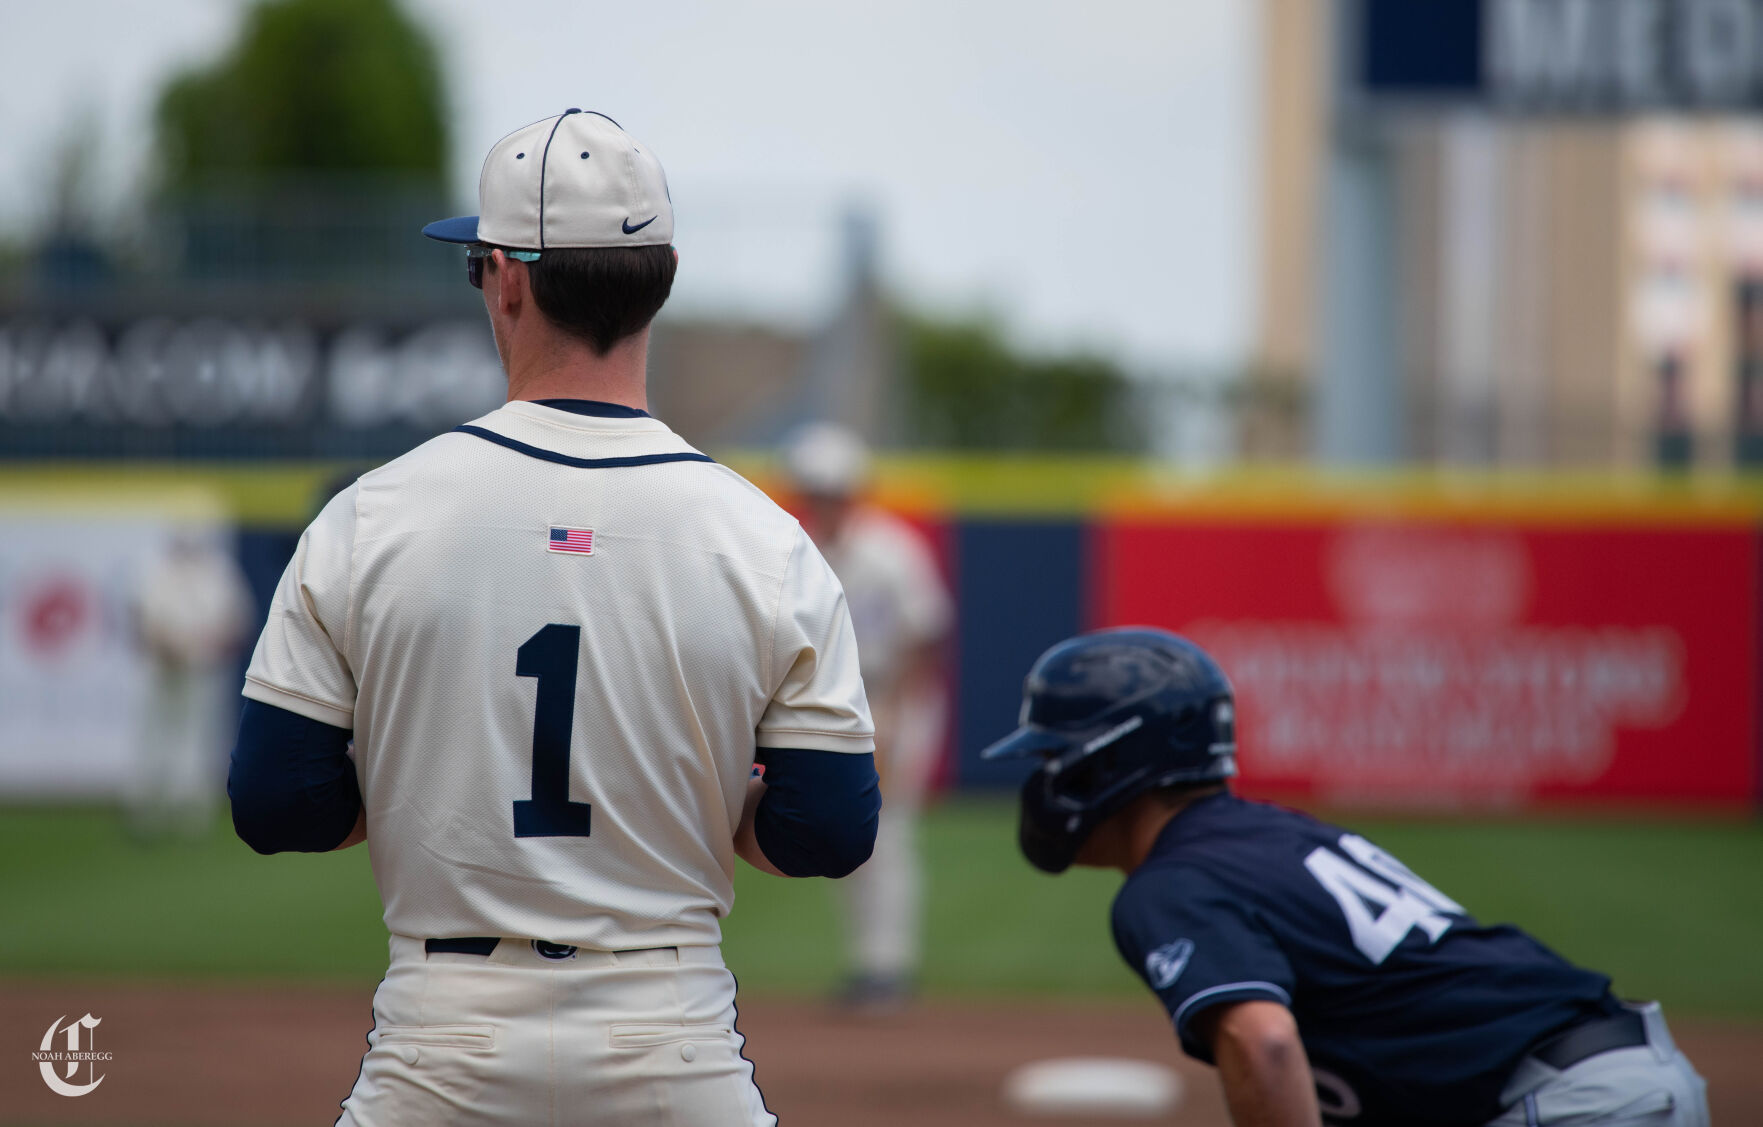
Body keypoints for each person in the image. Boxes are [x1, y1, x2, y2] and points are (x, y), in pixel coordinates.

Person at [228, 109, 880, 1126]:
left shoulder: (370, 516)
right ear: (658, 278)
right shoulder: (770, 541)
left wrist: (422, 784)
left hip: (441, 1040)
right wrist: (696, 802)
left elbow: (276, 804)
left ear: (509, 279)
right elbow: (829, 830)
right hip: (669, 1037)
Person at [982, 627, 1709, 1127]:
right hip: (1606, 1080)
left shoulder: (1168, 882)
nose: (1046, 781)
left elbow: (1263, 1042)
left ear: (1113, 762)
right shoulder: (1271, 833)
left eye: (1058, 757)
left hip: (1572, 1104)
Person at [780, 423, 952, 1010]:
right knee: (843, 829)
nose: (824, 498)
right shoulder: (795, 546)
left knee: (889, 829)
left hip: (893, 696)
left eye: (833, 488)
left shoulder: (892, 550)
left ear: (855, 490)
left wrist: (897, 719)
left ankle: (887, 968)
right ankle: (869, 965)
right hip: (832, 700)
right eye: (815, 487)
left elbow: (924, 639)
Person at [132, 527, 253, 837]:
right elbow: (141, 617)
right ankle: (149, 807)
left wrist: (210, 645)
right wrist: (165, 646)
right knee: (156, 735)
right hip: (161, 669)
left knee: (198, 737)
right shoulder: (156, 568)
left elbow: (237, 620)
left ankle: (191, 810)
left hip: (205, 669)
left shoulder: (218, 571)